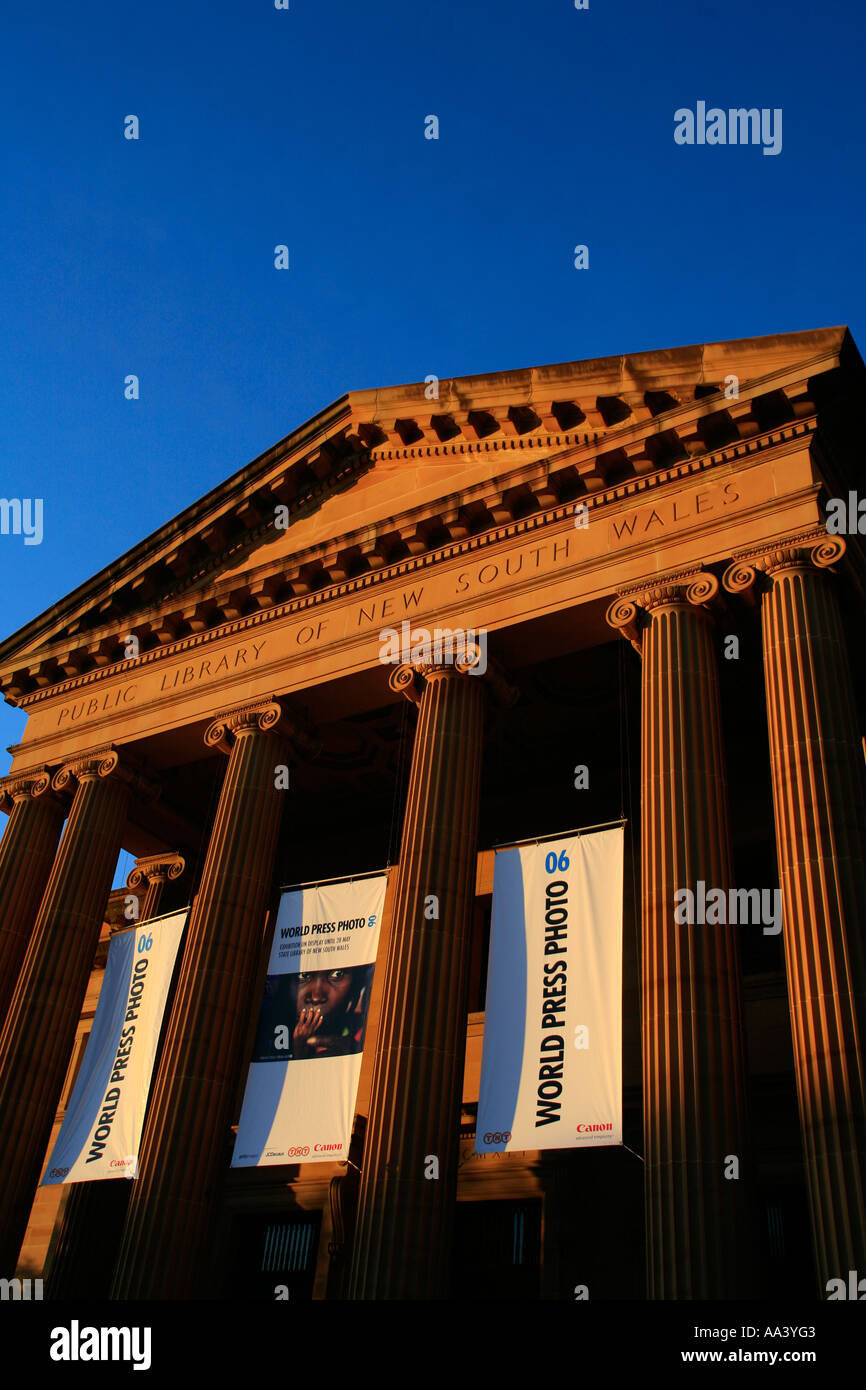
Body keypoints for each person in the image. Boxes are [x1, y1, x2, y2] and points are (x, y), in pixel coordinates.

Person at [292, 965, 372, 1059]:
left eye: (337, 974)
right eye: (303, 975)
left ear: (355, 990)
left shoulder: (364, 1035)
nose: (316, 998)